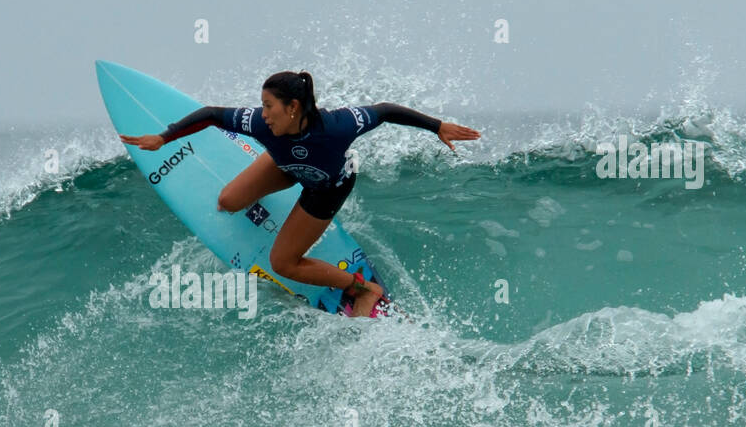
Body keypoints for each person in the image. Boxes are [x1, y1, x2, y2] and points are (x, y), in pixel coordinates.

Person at [120, 70, 481, 316]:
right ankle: (283, 184)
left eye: (269, 106)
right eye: (261, 106)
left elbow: (384, 111)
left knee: (284, 263)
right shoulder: (262, 124)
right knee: (228, 201)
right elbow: (214, 114)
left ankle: (360, 289)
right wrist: (165, 138)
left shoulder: (337, 127)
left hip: (326, 186)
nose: (262, 114)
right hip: (284, 165)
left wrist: (437, 127)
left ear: (293, 108)